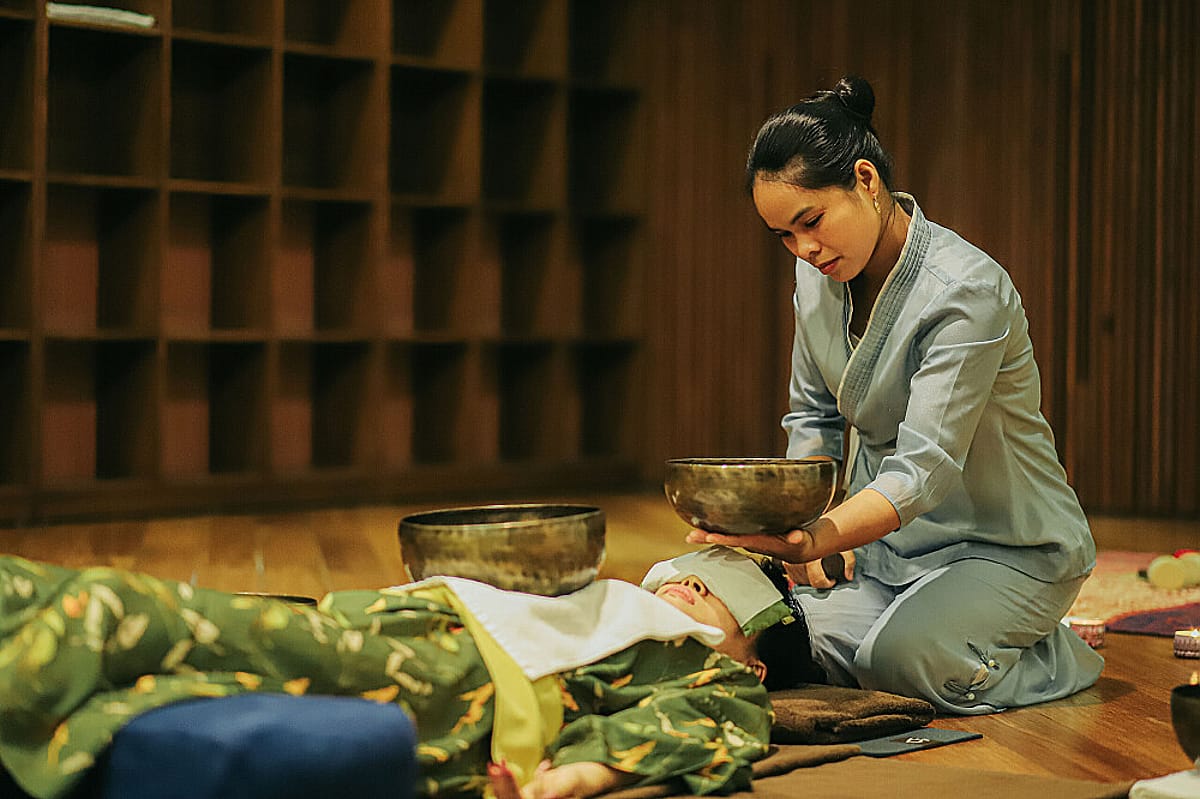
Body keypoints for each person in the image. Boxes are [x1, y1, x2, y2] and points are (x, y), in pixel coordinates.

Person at [688, 75, 1104, 715]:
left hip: (1010, 547)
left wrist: (819, 537)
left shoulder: (965, 290)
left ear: (865, 179)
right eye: (784, 237)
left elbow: (924, 469)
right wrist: (791, 517)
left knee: (897, 662)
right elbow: (812, 413)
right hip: (889, 547)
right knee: (775, 627)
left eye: (811, 222)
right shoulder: (815, 274)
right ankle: (933, 628)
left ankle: (1051, 654)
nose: (804, 249)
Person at [0, 548, 808, 799]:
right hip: (389, 625)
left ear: (756, 657)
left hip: (442, 675)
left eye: (715, 592)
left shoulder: (720, 676)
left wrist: (581, 773)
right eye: (691, 570)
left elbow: (707, 729)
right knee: (48, 592)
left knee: (111, 609)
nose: (686, 585)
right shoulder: (607, 596)